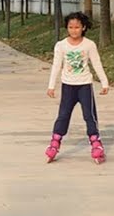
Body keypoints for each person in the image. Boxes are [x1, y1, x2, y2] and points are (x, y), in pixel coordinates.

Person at [45, 11, 109, 164]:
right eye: (70, 27)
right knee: (63, 116)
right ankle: (55, 143)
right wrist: (51, 86)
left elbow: (96, 63)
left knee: (89, 116)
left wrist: (104, 82)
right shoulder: (61, 45)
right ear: (67, 28)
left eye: (77, 27)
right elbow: (56, 66)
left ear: (84, 27)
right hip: (68, 87)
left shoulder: (89, 45)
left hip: (85, 86)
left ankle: (96, 144)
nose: (74, 30)